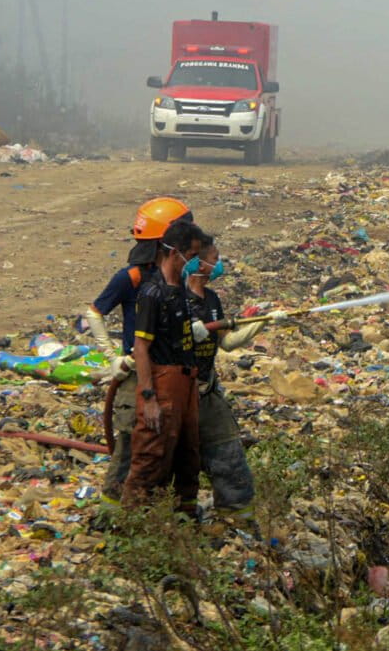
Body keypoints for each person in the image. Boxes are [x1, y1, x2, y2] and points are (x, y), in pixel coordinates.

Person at [82, 196, 193, 507]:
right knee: (131, 443)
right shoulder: (131, 277)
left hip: (172, 372)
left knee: (170, 440)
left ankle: (156, 509)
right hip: (135, 374)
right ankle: (111, 515)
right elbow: (94, 313)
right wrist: (112, 358)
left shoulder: (181, 275)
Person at [184, 236, 282, 522]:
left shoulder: (212, 299)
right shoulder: (176, 298)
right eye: (213, 258)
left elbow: (226, 343)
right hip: (177, 393)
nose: (218, 263)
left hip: (207, 391)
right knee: (175, 461)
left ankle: (237, 522)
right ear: (196, 262)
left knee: (229, 454)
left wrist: (265, 320)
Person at [122, 218, 207, 516]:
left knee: (188, 456)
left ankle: (184, 522)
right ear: (175, 253)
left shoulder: (180, 291)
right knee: (151, 455)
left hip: (186, 383)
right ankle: (135, 524)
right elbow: (141, 347)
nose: (196, 262)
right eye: (192, 255)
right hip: (164, 383)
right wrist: (149, 398)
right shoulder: (152, 293)